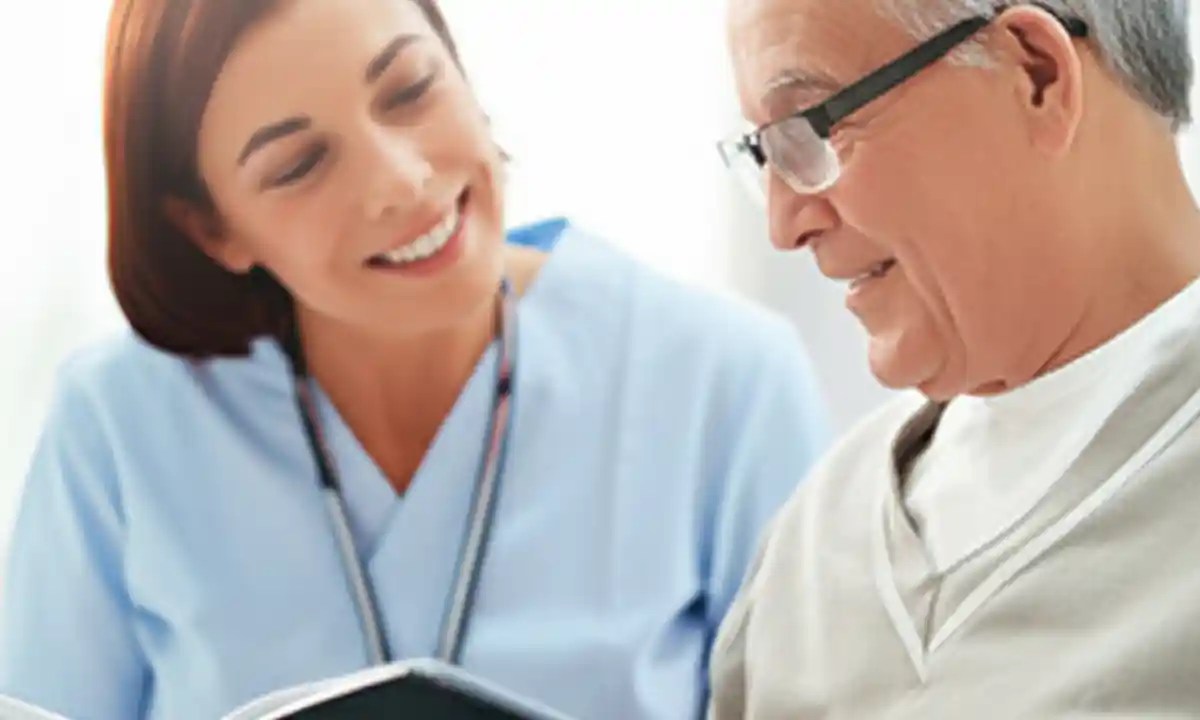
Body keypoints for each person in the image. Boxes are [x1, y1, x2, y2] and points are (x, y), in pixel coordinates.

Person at [0, 0, 831, 717]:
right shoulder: (117, 421)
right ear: (212, 229)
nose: (399, 181)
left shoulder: (723, 380)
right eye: (299, 165)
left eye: (410, 90)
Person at [710, 0, 1200, 717]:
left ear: (1035, 75)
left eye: (810, 129)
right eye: (763, 151)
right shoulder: (816, 540)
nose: (785, 224)